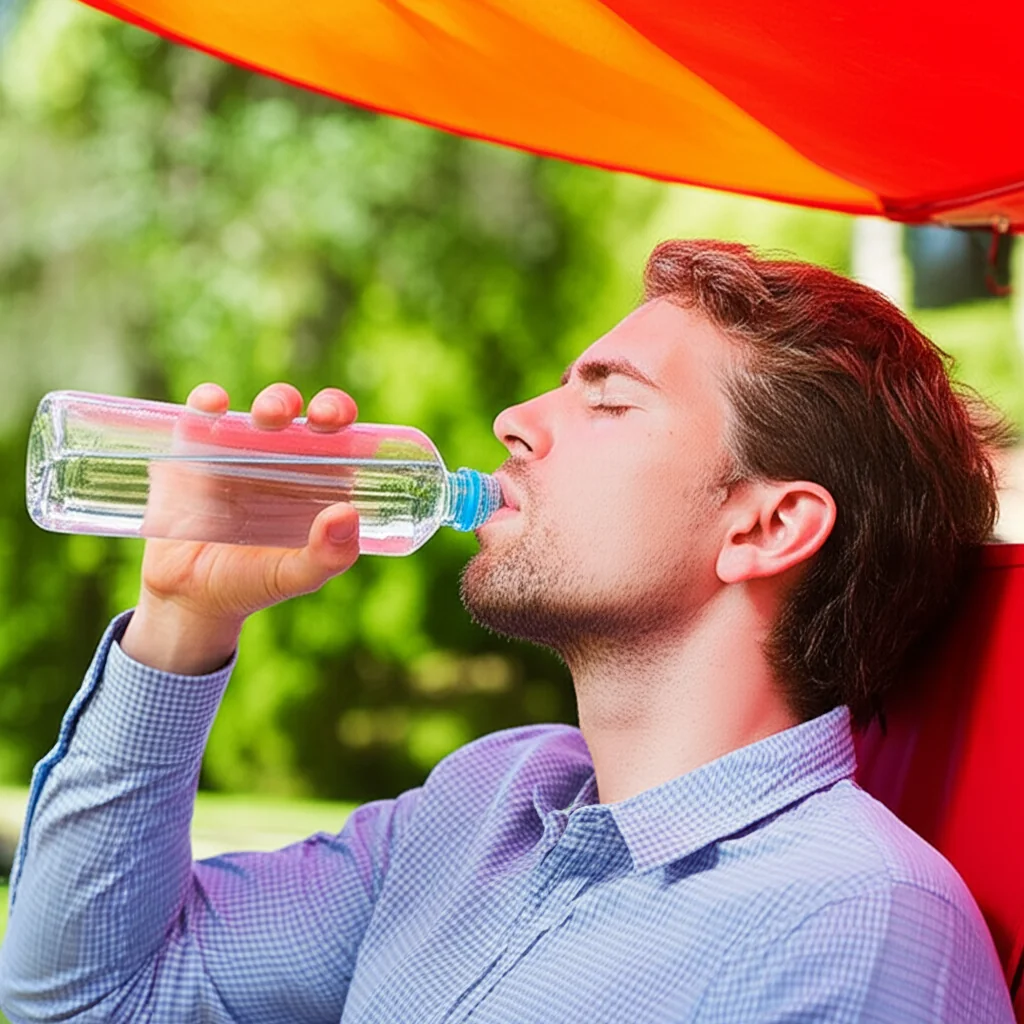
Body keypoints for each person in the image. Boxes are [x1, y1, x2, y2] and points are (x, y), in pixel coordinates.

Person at [0, 240, 1016, 1023]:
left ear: (766, 525)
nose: (516, 420)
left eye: (609, 402)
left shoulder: (852, 928)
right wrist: (184, 615)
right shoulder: (482, 806)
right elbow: (90, 997)